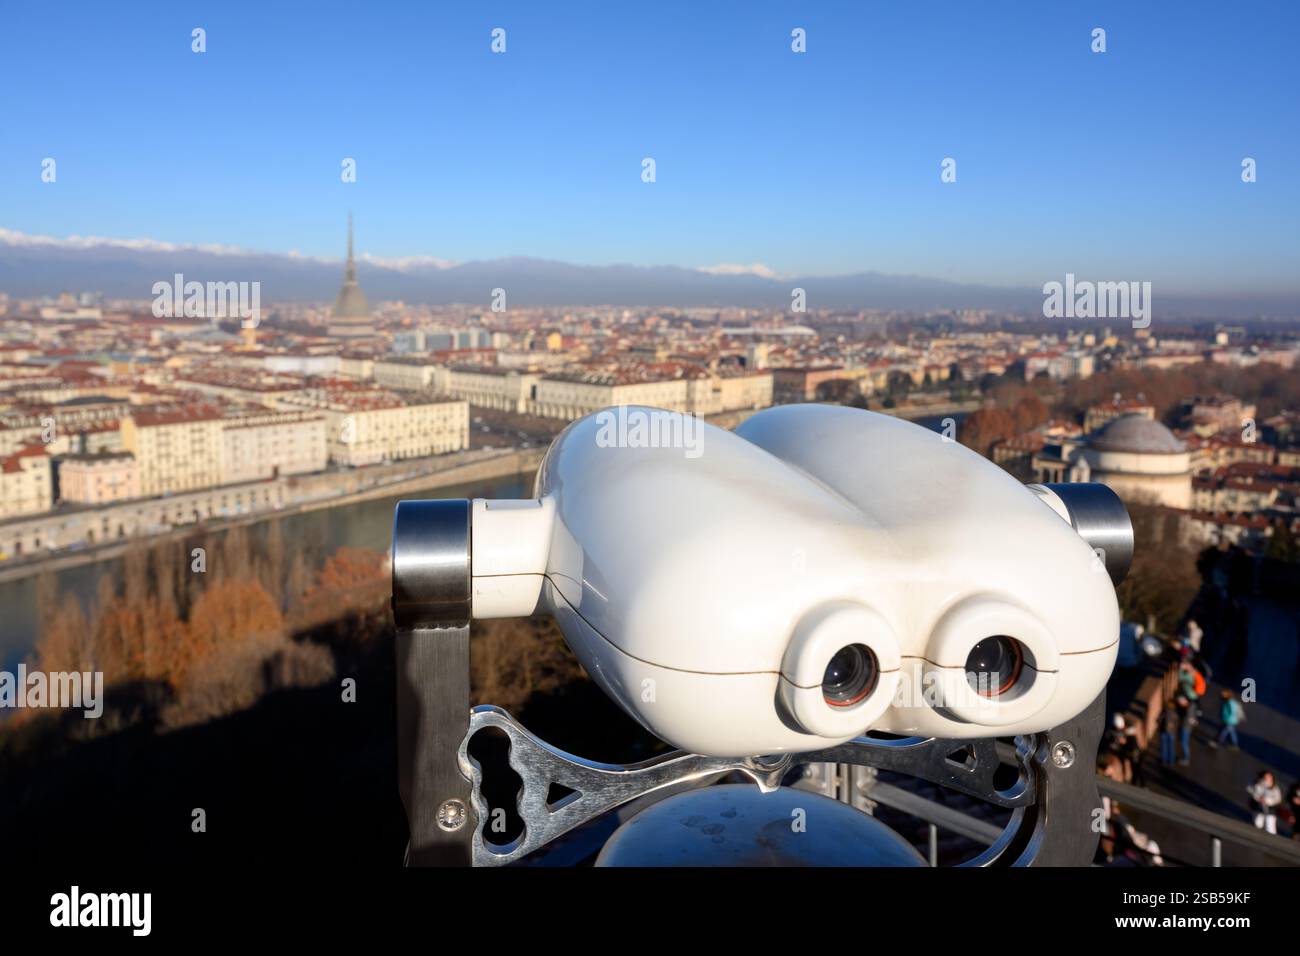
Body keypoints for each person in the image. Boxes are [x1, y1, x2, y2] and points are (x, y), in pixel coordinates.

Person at [1174, 693, 1197, 767]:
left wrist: (1191, 722)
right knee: (1185, 742)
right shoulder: (1192, 706)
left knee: (1184, 743)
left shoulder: (1188, 710)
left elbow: (1190, 720)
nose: (1180, 705)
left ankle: (1186, 759)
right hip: (1188, 728)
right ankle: (1186, 757)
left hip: (1185, 728)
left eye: (1181, 703)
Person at [1158, 701, 1179, 767]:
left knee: (1164, 747)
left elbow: (1159, 720)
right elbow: (1177, 724)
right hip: (1172, 733)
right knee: (1171, 748)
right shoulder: (1175, 714)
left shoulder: (1165, 712)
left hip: (1164, 732)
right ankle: (1171, 762)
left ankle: (1164, 761)